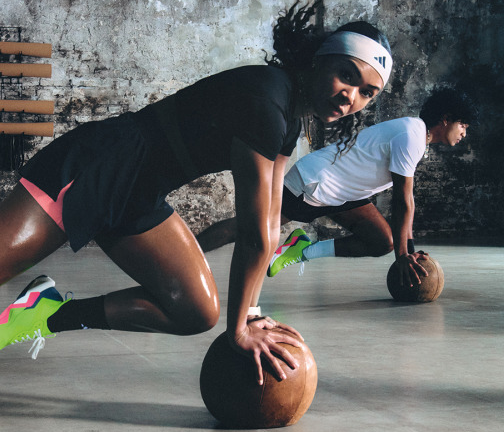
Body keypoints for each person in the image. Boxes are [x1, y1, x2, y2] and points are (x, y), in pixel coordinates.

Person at [0, 1, 392, 429]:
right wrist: (245, 326)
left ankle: (49, 312)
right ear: (319, 61)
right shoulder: (268, 99)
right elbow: (258, 231)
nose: (351, 97)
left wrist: (243, 313)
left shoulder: (290, 115)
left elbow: (273, 218)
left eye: (366, 93)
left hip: (137, 192)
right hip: (95, 167)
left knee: (194, 310)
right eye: (347, 76)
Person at [196, 87, 475, 287]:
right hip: (315, 182)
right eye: (463, 125)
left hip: (344, 194)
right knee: (246, 227)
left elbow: (404, 201)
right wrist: (404, 255)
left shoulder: (416, 137)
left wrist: (406, 250)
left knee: (382, 241)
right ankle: (184, 256)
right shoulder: (412, 134)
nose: (464, 133)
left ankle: (300, 249)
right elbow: (404, 200)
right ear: (446, 118)